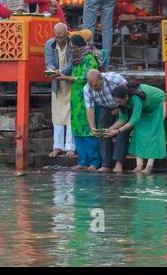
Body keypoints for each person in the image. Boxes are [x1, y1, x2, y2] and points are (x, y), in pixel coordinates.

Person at [106, 80, 167, 173]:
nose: (117, 104)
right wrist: (108, 130)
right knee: (138, 133)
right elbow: (122, 119)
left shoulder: (136, 98)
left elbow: (134, 119)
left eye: (119, 102)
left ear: (126, 97)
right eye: (116, 102)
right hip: (145, 109)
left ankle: (149, 166)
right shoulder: (123, 101)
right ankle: (139, 165)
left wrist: (118, 131)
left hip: (158, 104)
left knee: (152, 134)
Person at [81, 68, 129, 173]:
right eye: (92, 86)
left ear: (101, 79)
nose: (94, 88)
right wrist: (92, 127)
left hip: (121, 105)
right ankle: (106, 164)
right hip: (105, 107)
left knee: (121, 131)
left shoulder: (114, 79)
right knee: (102, 130)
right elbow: (90, 109)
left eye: (97, 85)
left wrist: (119, 107)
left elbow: (127, 92)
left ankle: (118, 163)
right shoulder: (87, 89)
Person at [68, 34, 103, 169]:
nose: (71, 50)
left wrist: (69, 78)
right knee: (77, 129)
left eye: (73, 48)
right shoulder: (75, 59)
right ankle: (82, 161)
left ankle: (94, 161)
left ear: (79, 46)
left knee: (89, 128)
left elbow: (86, 77)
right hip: (75, 99)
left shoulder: (89, 58)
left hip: (87, 96)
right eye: (70, 48)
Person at [43, 23, 76, 159]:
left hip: (69, 82)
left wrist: (61, 72)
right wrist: (52, 71)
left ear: (67, 35)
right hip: (57, 84)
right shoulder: (49, 44)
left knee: (70, 116)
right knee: (57, 116)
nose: (60, 40)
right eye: (57, 37)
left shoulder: (72, 44)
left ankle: (70, 147)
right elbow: (48, 61)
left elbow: (71, 63)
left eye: (62, 37)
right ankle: (57, 146)